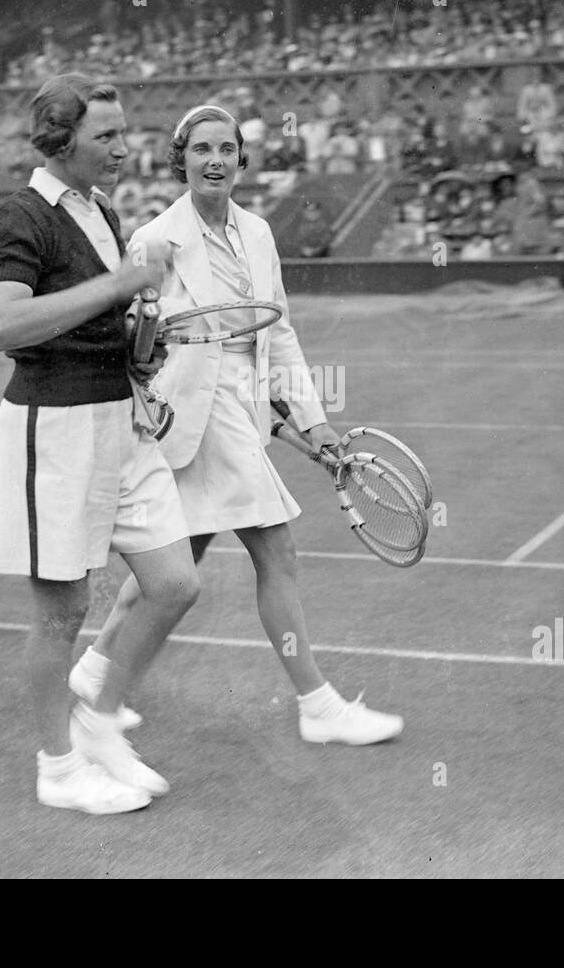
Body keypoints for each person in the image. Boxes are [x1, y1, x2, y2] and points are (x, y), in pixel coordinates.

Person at [74, 104, 403, 747]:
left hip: (239, 407)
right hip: (184, 415)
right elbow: (139, 341)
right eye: (201, 150)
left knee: (180, 554)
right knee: (274, 549)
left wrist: (311, 420)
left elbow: (275, 334)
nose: (215, 160)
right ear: (182, 160)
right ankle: (317, 703)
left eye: (226, 149)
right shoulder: (152, 240)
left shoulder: (258, 234)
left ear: (241, 161)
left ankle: (93, 670)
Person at [0, 73, 201, 815]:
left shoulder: (103, 209)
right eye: (107, 134)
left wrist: (143, 342)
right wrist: (120, 287)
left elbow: (113, 314)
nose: (122, 147)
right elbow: (6, 326)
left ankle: (100, 721)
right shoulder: (22, 216)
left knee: (175, 582)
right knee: (61, 611)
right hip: (57, 428)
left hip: (121, 419)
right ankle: (59, 765)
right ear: (61, 138)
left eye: (122, 131)